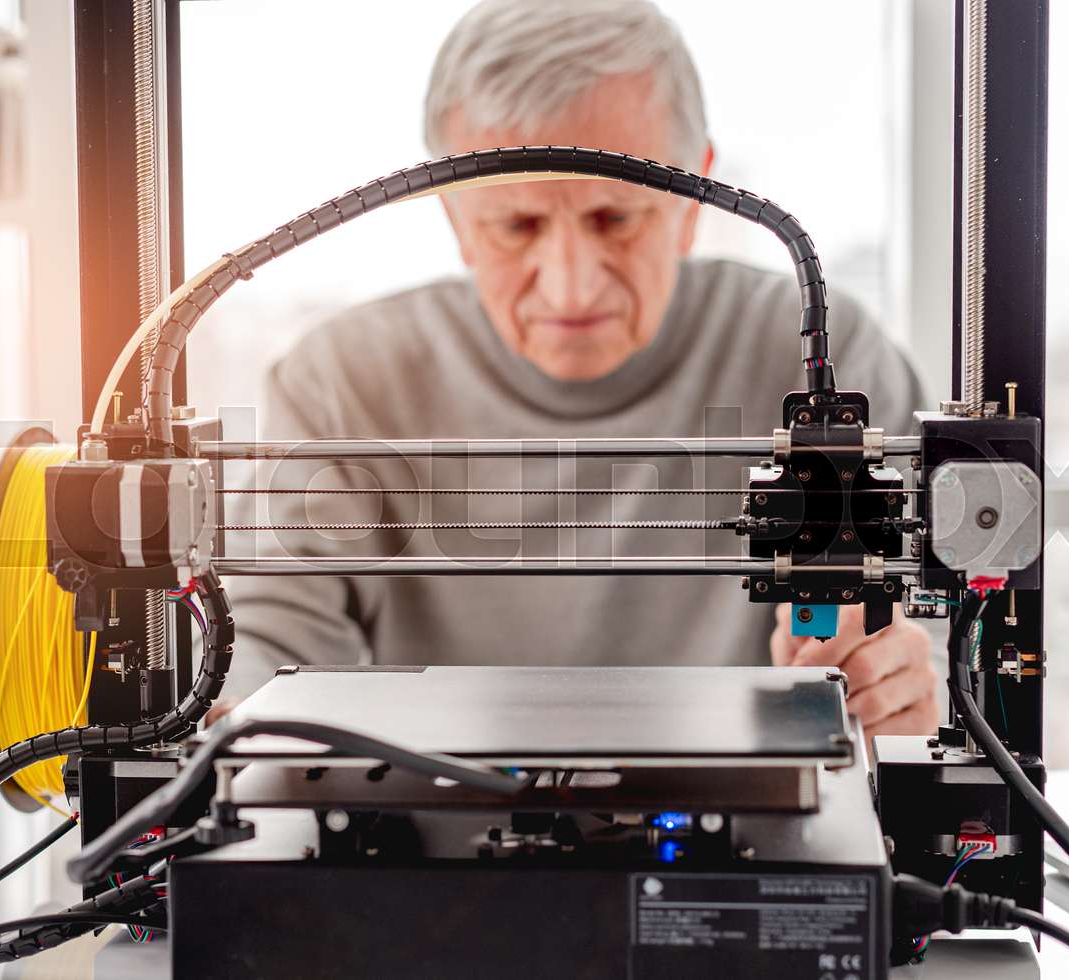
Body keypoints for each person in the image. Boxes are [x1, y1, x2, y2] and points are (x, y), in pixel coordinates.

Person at [216, 0, 937, 736]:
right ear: (452, 219)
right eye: (516, 226)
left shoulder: (824, 357)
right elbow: (266, 651)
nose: (570, 285)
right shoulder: (339, 385)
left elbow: (929, 631)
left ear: (698, 195)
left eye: (615, 220)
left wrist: (894, 682)